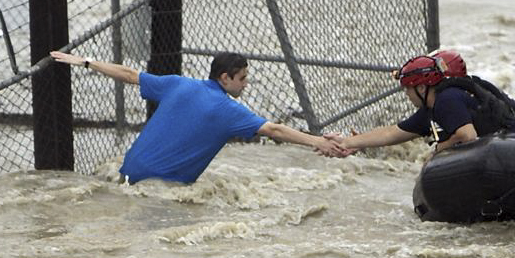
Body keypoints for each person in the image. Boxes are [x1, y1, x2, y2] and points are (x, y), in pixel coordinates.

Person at [49, 50, 346, 184]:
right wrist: (318, 141)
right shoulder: (228, 111)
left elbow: (129, 74)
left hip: (126, 174)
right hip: (160, 189)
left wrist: (85, 62)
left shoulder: (178, 83)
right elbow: (275, 130)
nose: (246, 84)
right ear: (226, 77)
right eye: (242, 78)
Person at [336, 50, 515, 155]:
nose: (407, 95)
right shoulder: (432, 108)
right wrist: (347, 143)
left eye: (408, 90)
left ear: (421, 88)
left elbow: (467, 136)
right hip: (514, 149)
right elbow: (391, 133)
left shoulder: (447, 100)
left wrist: (439, 149)